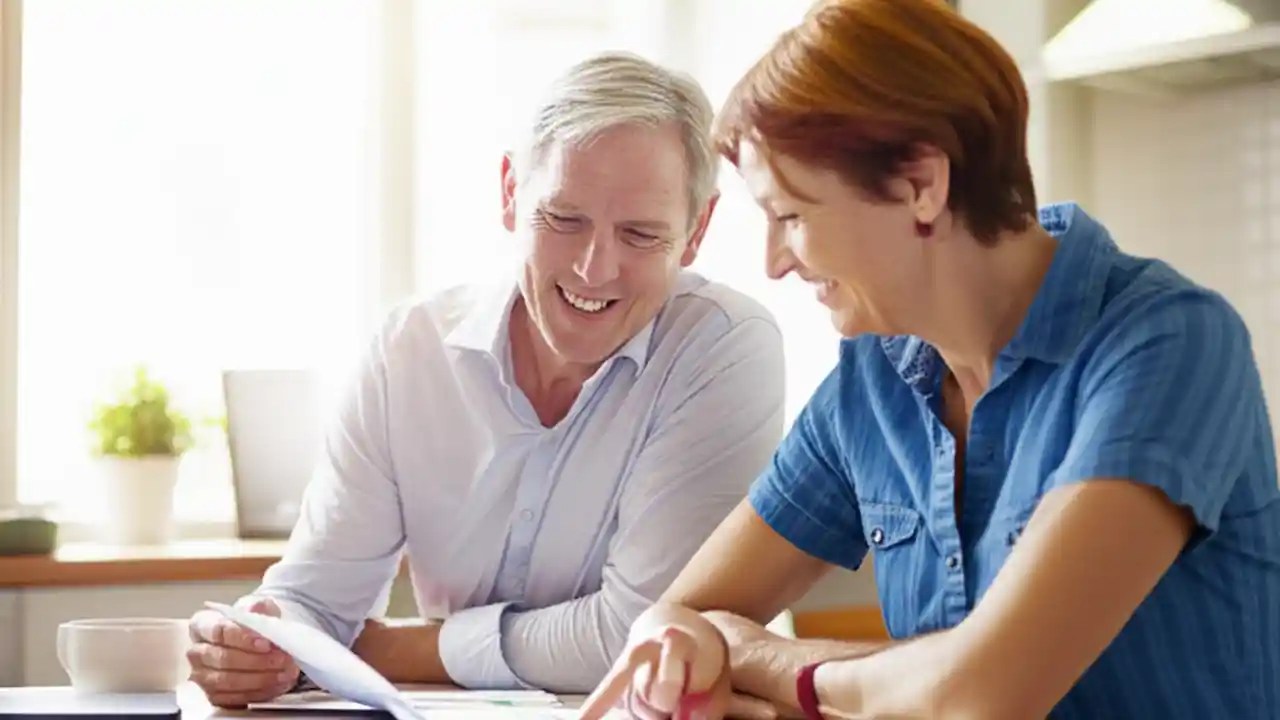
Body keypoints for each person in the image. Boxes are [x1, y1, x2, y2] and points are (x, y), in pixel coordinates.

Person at [579, 1, 1280, 718]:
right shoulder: (874, 379)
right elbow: (675, 621)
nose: (774, 263)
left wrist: (768, 663)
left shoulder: (1170, 346)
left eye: (790, 215)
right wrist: (695, 646)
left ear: (922, 186)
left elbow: (982, 694)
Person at [185, 51, 786, 708]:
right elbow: (314, 602)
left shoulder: (723, 349)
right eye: (564, 219)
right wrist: (259, 648)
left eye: (640, 234)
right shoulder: (410, 351)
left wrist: (414, 647)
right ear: (509, 193)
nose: (594, 267)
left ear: (696, 231)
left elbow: (641, 632)